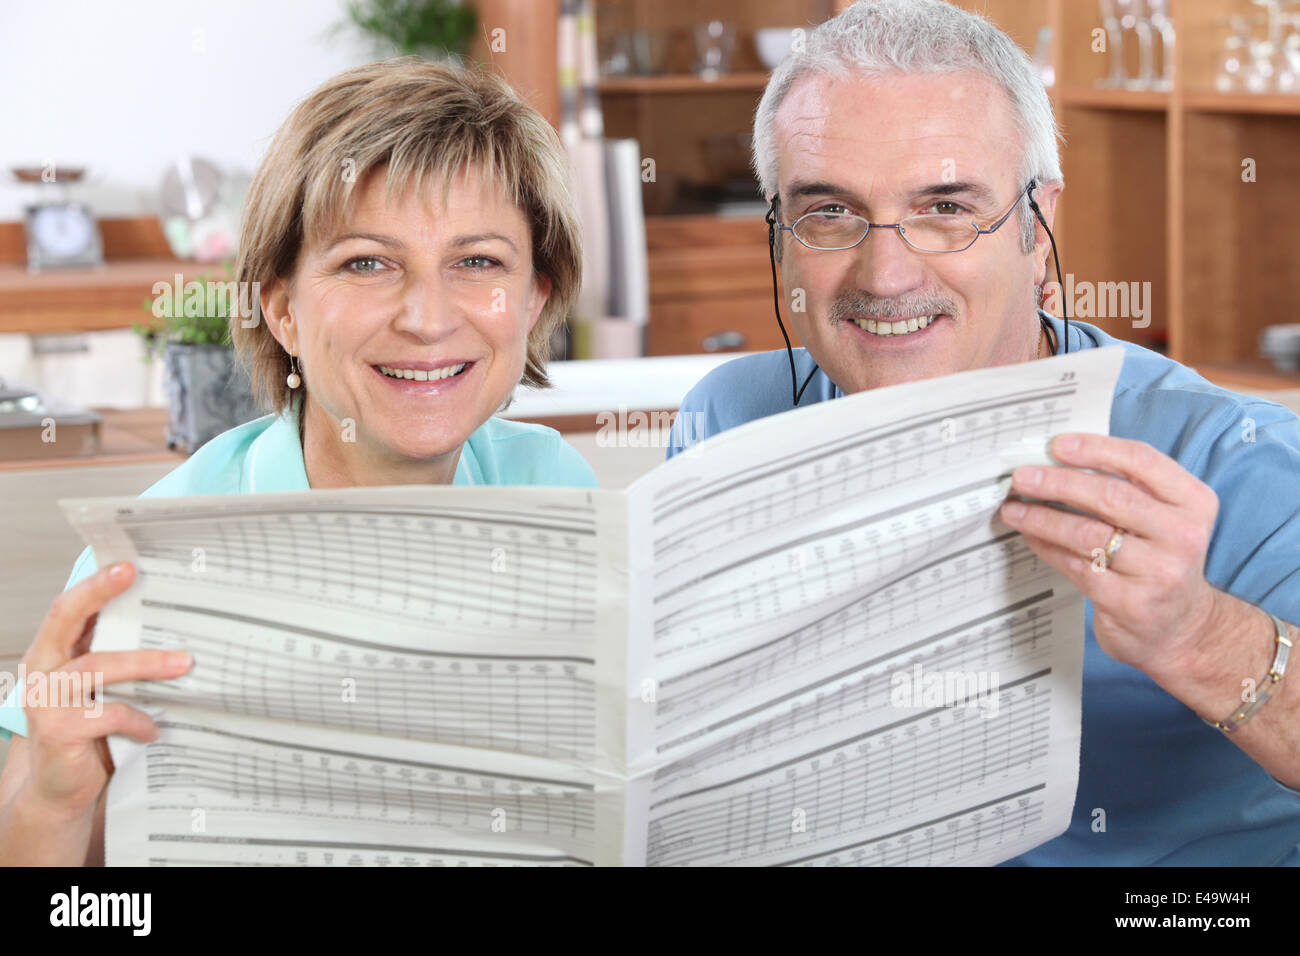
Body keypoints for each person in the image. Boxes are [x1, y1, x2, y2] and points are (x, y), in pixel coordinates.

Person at [667, 0, 1300, 865]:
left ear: (1039, 231)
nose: (886, 274)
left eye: (946, 208)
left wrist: (1198, 636)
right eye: (829, 213)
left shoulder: (1241, 461)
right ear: (779, 233)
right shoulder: (728, 420)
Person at [0, 59, 596, 865]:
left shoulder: (555, 487)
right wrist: (54, 801)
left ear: (532, 300)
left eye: (478, 261)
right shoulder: (149, 554)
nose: (427, 318)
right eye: (367, 262)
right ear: (280, 307)